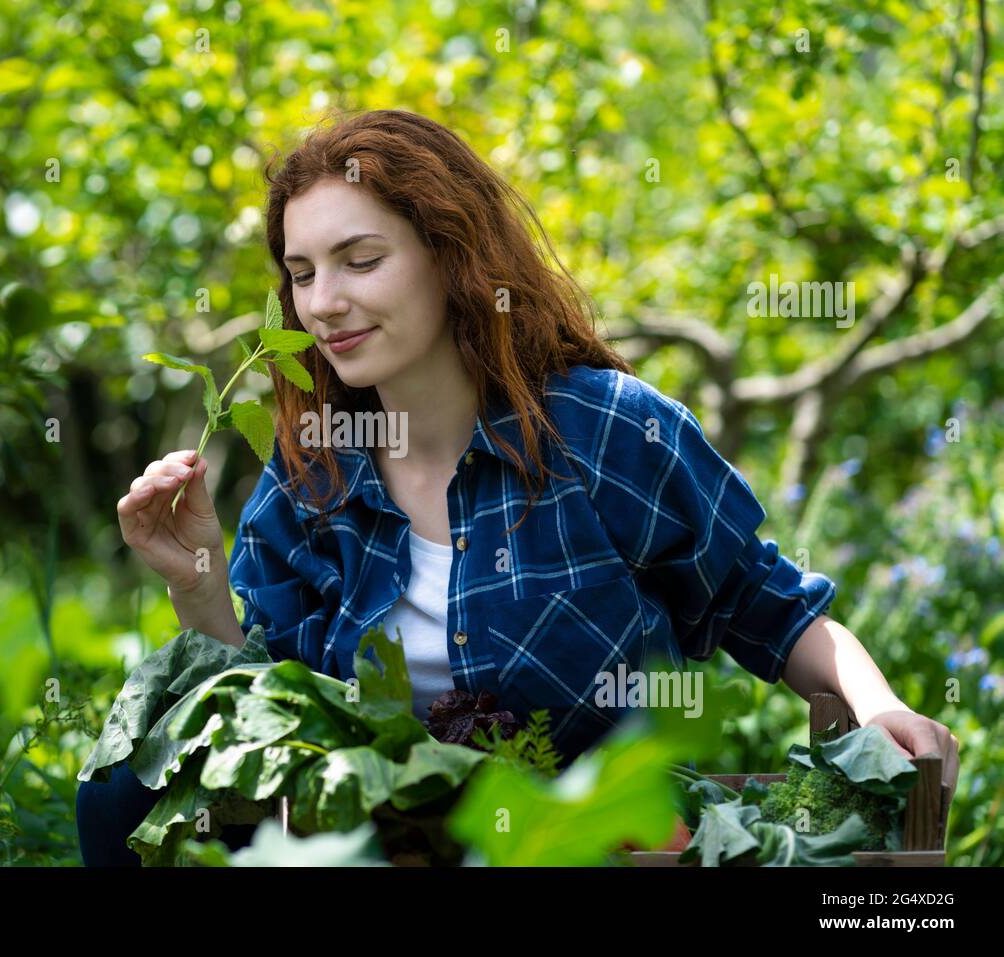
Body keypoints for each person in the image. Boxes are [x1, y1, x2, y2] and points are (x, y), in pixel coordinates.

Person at [88, 108, 958, 865]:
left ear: (448, 254)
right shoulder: (315, 465)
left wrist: (879, 705)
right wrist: (199, 582)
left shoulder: (605, 431)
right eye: (303, 273)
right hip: (389, 841)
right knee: (119, 796)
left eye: (359, 260)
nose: (324, 304)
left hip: (586, 837)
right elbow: (270, 712)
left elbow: (773, 610)